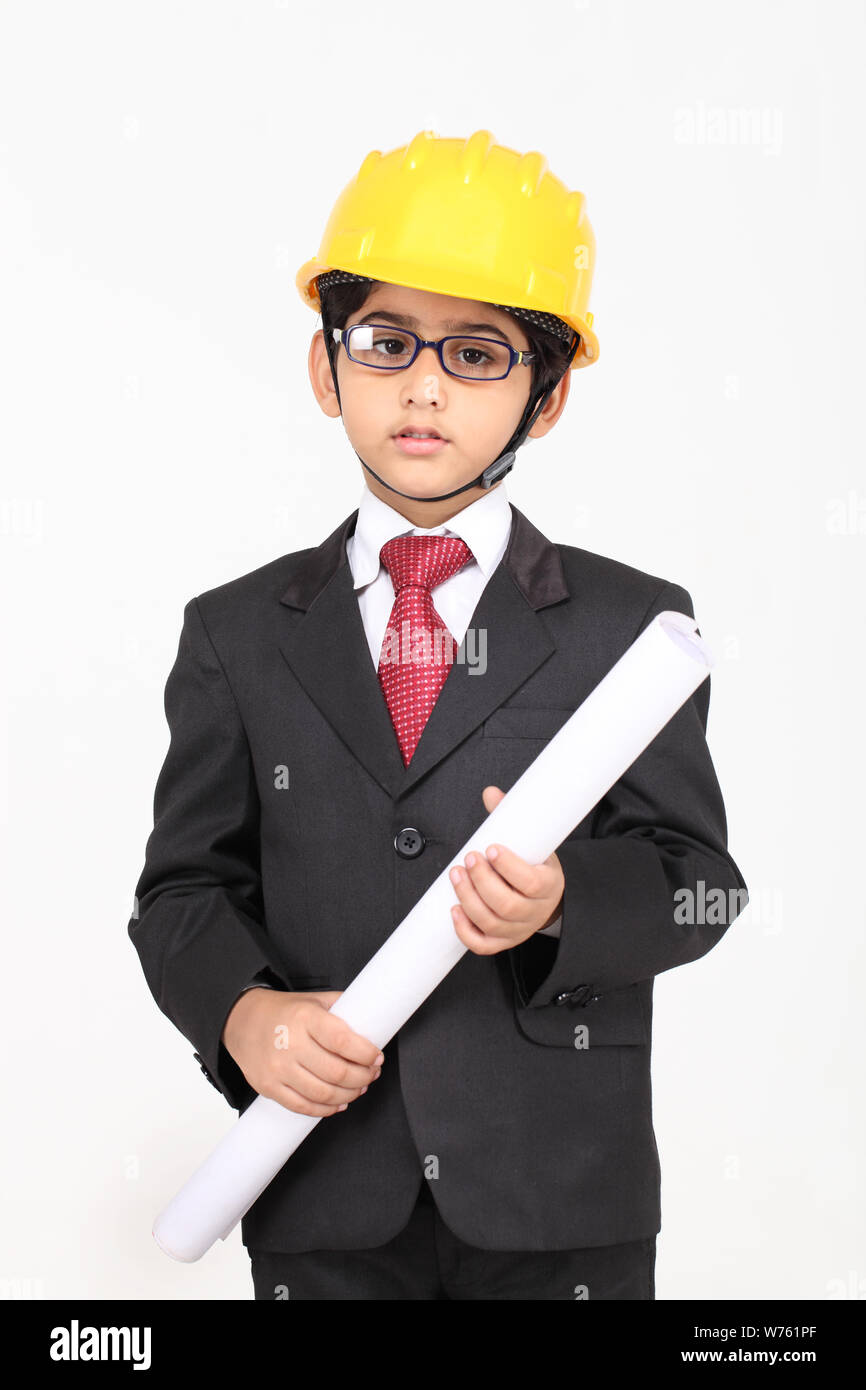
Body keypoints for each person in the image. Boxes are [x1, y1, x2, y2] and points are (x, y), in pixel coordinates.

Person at [129, 129, 748, 1300]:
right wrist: (245, 1015)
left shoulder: (631, 628)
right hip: (322, 1187)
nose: (422, 384)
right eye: (386, 341)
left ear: (546, 398)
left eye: (476, 354)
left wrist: (567, 901)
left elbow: (697, 881)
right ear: (326, 368)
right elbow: (182, 893)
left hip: (557, 1196)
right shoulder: (237, 632)